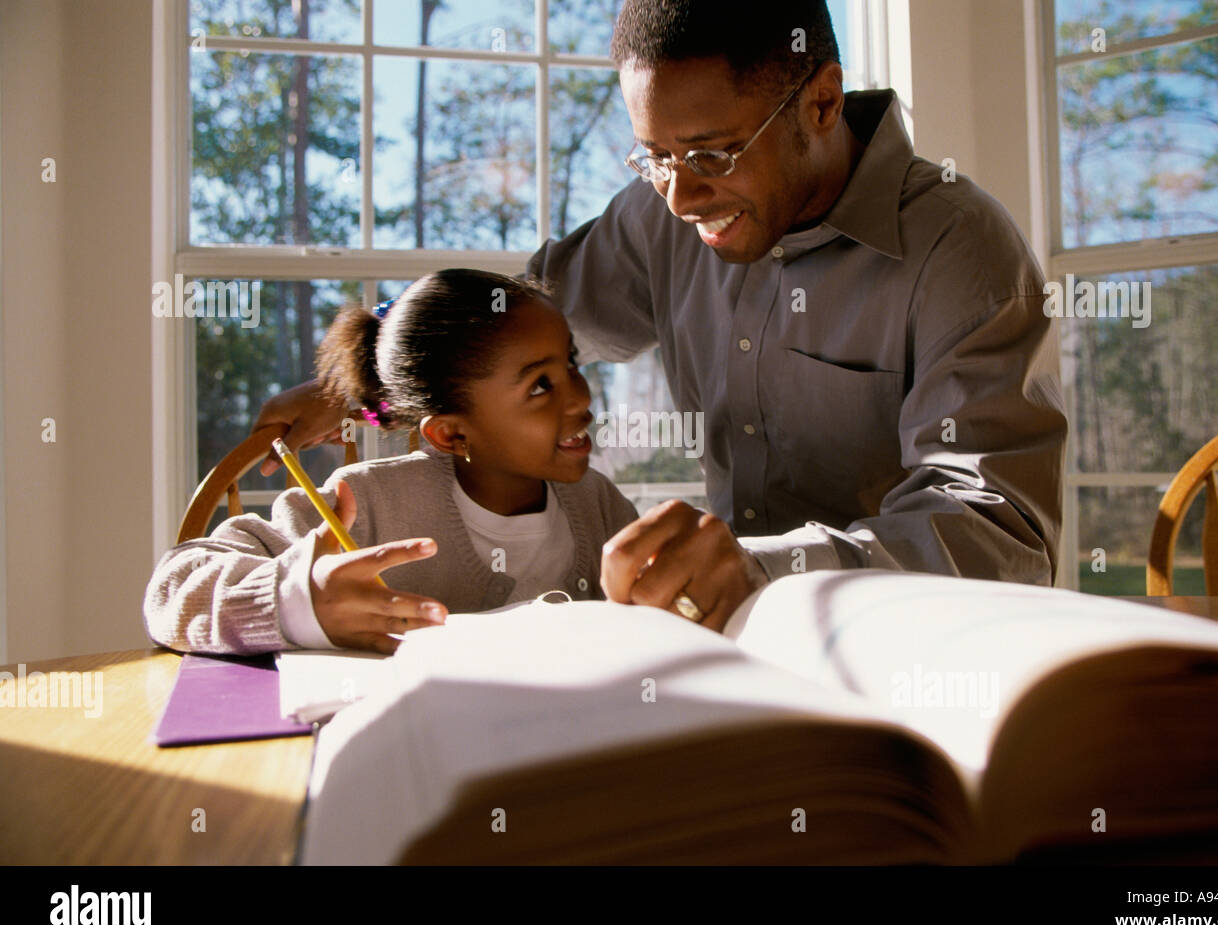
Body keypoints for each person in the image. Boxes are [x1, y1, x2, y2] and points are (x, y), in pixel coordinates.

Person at [251, 0, 1067, 634]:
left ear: (821, 103)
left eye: (710, 155)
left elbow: (1003, 536)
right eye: (654, 156)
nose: (678, 196)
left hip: (908, 656)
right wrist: (366, 377)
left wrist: (764, 572)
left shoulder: (959, 249)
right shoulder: (661, 216)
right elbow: (505, 322)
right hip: (719, 655)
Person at [144, 270, 639, 655]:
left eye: (572, 364)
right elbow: (172, 589)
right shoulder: (366, 502)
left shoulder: (598, 504)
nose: (580, 399)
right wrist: (297, 599)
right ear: (450, 434)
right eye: (540, 386)